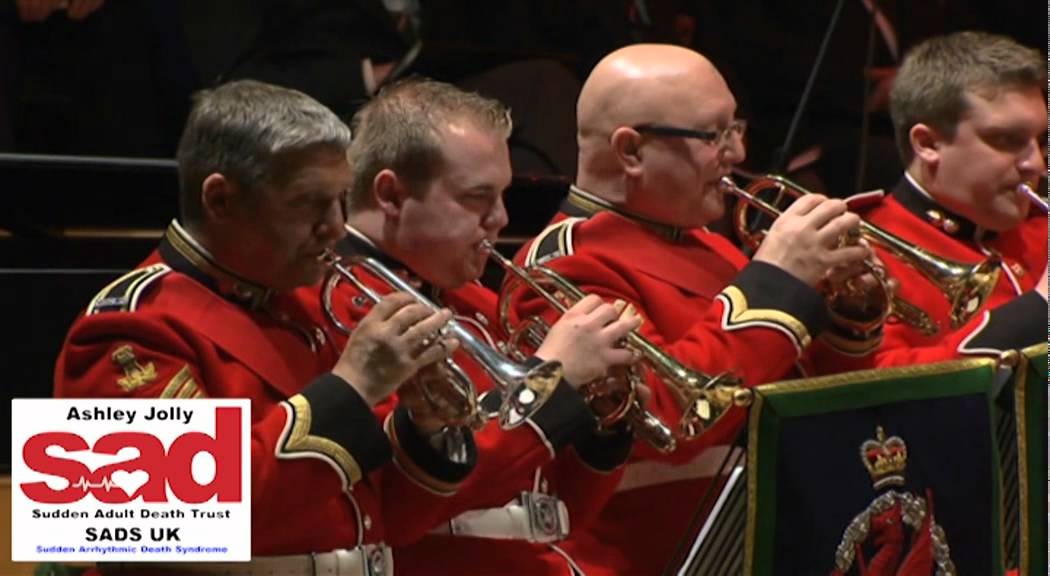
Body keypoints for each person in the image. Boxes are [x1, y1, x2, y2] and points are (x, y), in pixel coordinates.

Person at [54, 79, 480, 576]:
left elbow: (385, 524)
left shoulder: (305, 304)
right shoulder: (121, 328)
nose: (337, 228)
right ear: (221, 200)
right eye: (308, 203)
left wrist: (422, 430)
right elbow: (158, 529)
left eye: (341, 200)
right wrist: (353, 387)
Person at [503, 43, 883, 574]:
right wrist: (775, 284)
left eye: (737, 127)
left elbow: (800, 394)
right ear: (631, 150)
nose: (738, 153)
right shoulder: (562, 268)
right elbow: (666, 421)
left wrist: (850, 315)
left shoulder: (715, 246)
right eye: (714, 135)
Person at [336, 77, 644, 575]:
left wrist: (601, 424)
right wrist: (552, 382)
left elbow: (549, 507)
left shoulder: (473, 301)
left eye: (501, 195)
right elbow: (397, 506)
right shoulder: (324, 308)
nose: (500, 218)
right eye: (477, 197)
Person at [842, 31, 1046, 355]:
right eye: (1007, 139)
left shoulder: (1040, 230)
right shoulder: (858, 255)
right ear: (928, 145)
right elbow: (885, 386)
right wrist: (1039, 309)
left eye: (1042, 141)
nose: (1037, 164)